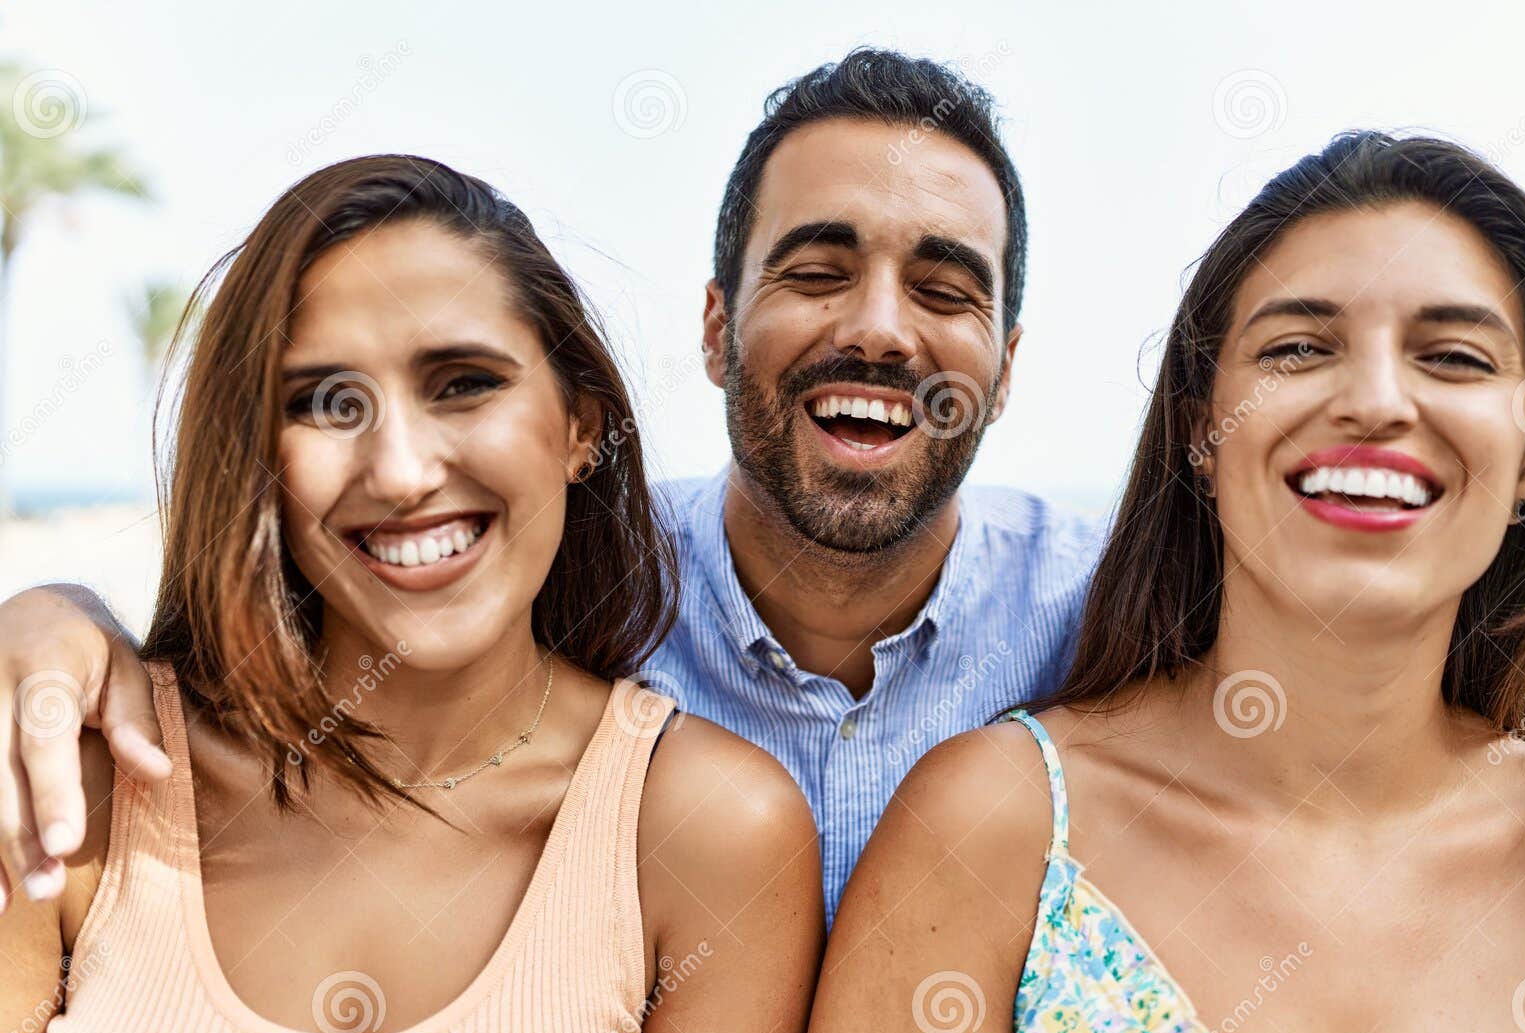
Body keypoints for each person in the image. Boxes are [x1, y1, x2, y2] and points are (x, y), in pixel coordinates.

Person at [0, 49, 1103, 927]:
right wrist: (60, 619)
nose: (875, 327)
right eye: (814, 273)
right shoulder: (569, 574)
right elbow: (295, 637)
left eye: (945, 289)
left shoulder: (1114, 610)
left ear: (1003, 368)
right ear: (716, 331)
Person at [0, 156, 823, 1033]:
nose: (399, 470)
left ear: (581, 425)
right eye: (327, 402)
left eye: (464, 382)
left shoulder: (706, 832)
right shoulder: (80, 788)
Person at [808, 132, 1525, 1033]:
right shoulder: (993, 827)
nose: (1378, 401)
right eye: (1300, 348)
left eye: (1457, 358)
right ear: (1202, 434)